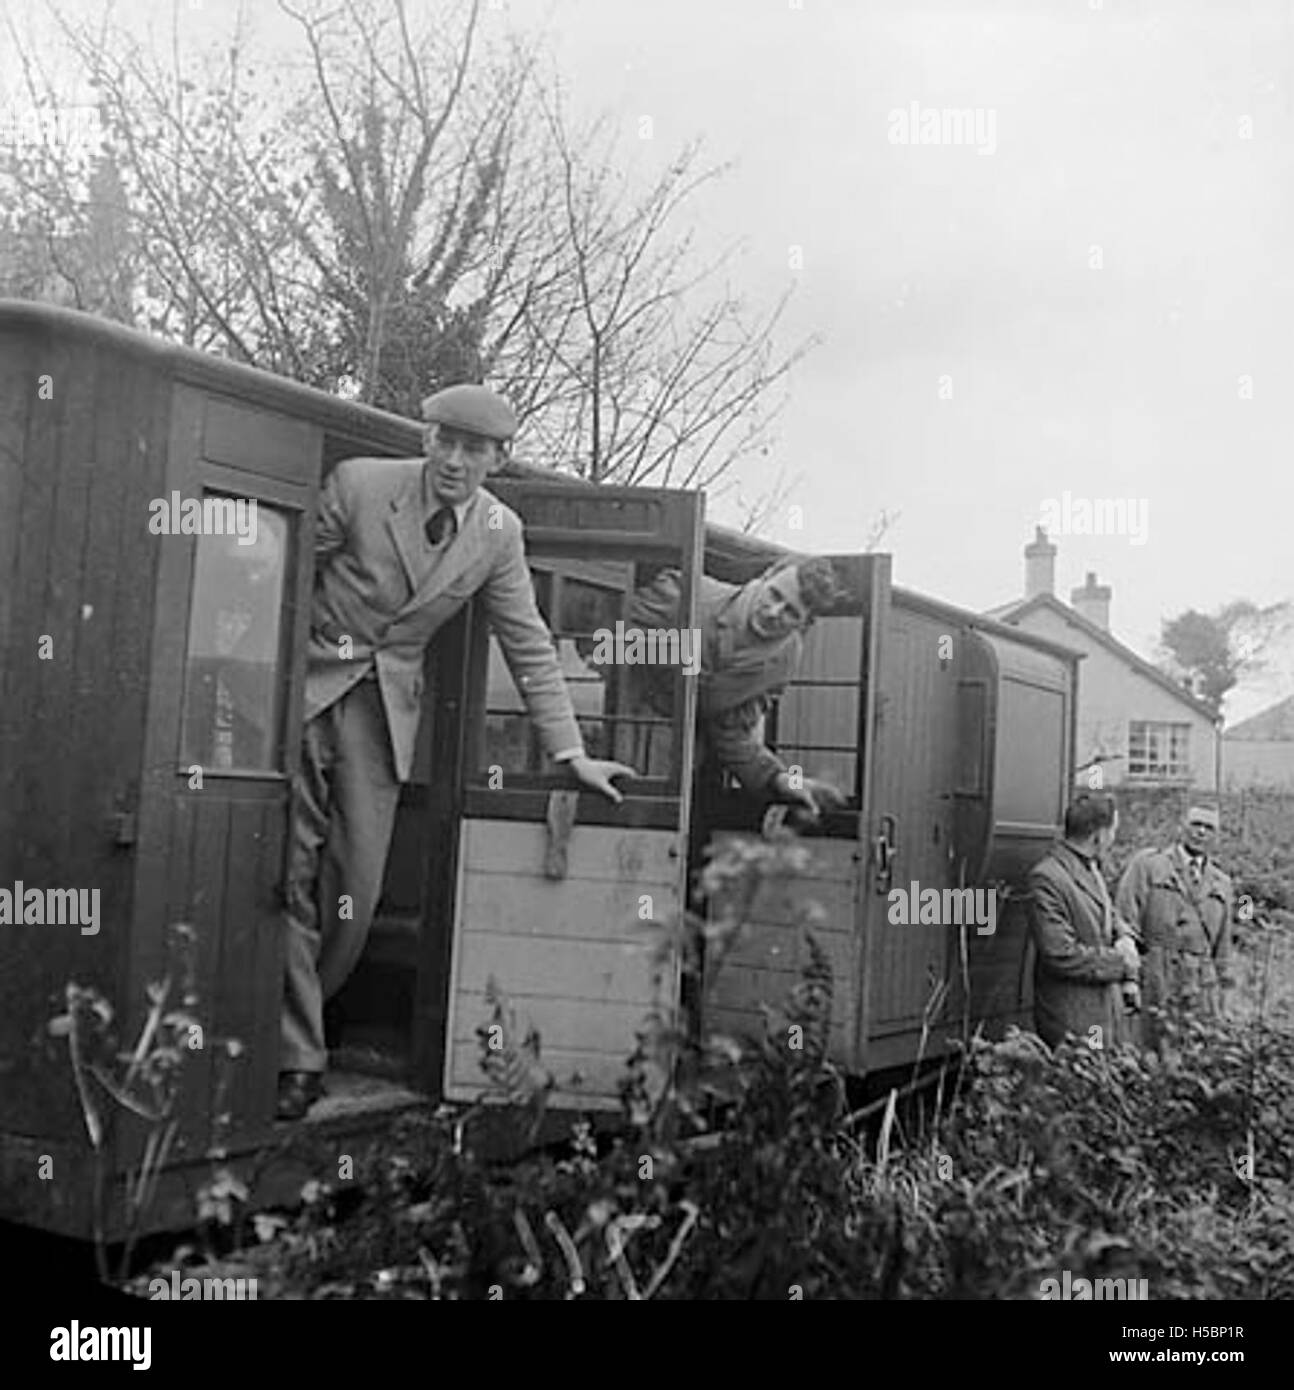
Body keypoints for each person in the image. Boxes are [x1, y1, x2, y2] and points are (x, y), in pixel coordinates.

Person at [278, 384, 634, 1120]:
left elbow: (528, 641)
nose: (454, 460)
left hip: (383, 719)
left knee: (355, 892)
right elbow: (279, 568)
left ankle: (299, 1009)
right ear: (425, 440)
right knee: (287, 871)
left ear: (498, 460)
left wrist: (571, 752)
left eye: (474, 449)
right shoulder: (360, 486)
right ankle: (296, 1054)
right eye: (445, 441)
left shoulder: (499, 533)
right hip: (300, 695)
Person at [625, 558, 848, 818]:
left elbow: (730, 731)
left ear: (804, 623)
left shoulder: (784, 661)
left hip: (674, 768)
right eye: (774, 594)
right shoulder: (686, 598)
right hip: (613, 726)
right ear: (765, 577)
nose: (774, 612)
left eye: (791, 612)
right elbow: (600, 631)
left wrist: (786, 779)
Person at [1026, 792, 1142, 1051]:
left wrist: (1124, 936)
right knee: (1077, 1086)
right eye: (1113, 831)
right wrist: (1121, 962)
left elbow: (1107, 912)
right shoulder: (1048, 878)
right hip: (1072, 1017)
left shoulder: (1089, 867)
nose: (1113, 839)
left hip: (1101, 1012)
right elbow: (1060, 954)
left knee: (1103, 1082)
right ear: (1098, 836)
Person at [1115, 804, 1234, 1047]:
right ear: (1182, 827)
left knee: (1193, 1059)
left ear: (1216, 836)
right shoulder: (1148, 865)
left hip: (1199, 986)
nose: (1201, 832)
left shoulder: (1222, 883)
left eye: (1208, 828)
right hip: (1155, 979)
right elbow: (1124, 922)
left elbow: (1222, 950)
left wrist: (1223, 1000)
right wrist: (1130, 979)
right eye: (1196, 824)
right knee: (1147, 1054)